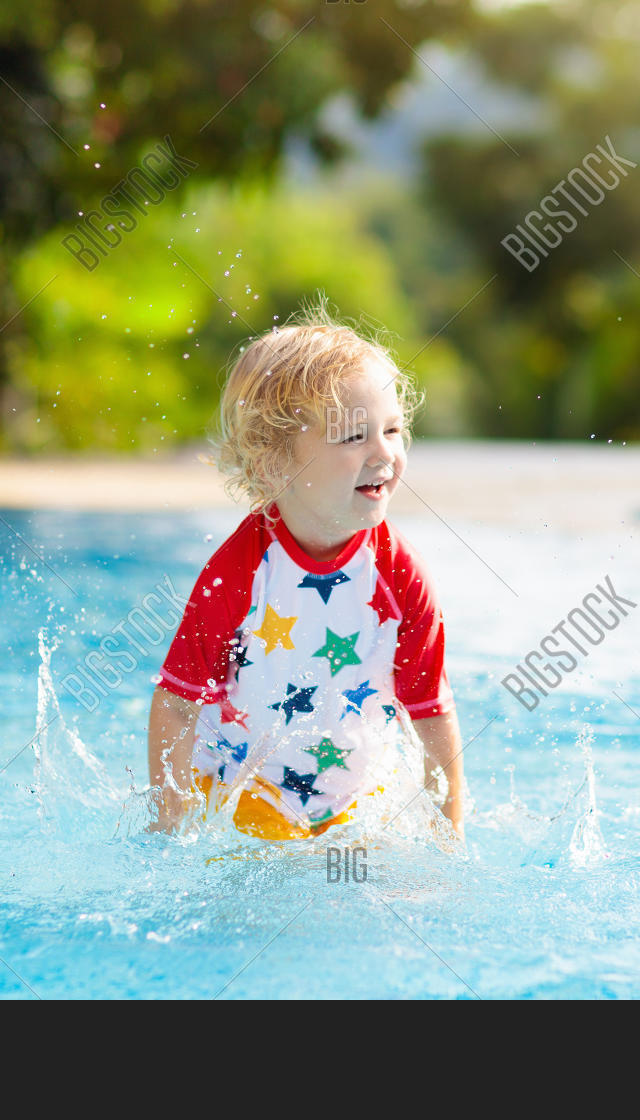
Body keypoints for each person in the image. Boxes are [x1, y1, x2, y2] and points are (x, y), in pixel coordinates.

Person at [147, 308, 465, 842]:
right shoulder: (239, 572)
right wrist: (168, 824)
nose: (385, 453)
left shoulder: (400, 577)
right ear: (275, 463)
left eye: (393, 430)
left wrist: (448, 840)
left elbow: (431, 713)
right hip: (242, 792)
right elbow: (178, 703)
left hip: (350, 800)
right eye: (354, 437)